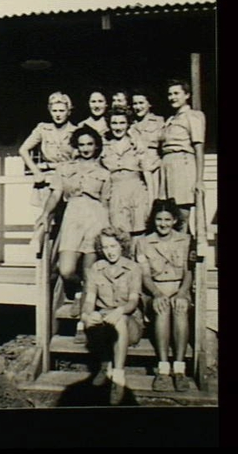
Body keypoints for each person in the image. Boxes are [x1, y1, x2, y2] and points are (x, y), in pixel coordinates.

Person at [34, 126, 111, 340]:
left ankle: (82, 326)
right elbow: (55, 194)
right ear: (76, 146)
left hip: (95, 219)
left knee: (90, 272)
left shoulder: (104, 173)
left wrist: (107, 232)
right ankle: (79, 291)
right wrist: (45, 215)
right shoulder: (65, 169)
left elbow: (105, 203)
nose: (86, 148)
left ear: (96, 146)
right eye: (82, 144)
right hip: (72, 218)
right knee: (66, 269)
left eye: (90, 144)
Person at [81, 226, 144, 405]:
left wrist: (120, 311)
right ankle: (104, 364)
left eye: (113, 246)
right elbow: (89, 299)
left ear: (122, 246)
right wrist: (88, 313)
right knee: (90, 321)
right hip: (105, 318)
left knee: (120, 321)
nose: (110, 252)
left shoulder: (133, 268)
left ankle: (118, 376)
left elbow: (133, 302)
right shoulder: (96, 268)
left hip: (129, 322)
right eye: (106, 247)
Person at [135, 198, 193, 392]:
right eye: (159, 219)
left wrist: (183, 293)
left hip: (178, 288)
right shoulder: (143, 242)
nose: (163, 224)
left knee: (180, 308)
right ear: (154, 220)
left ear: (175, 220)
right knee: (162, 308)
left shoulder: (185, 240)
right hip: (154, 290)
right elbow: (144, 275)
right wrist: (157, 294)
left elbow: (188, 271)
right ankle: (163, 369)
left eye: (167, 219)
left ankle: (179, 369)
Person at [159, 79, 206, 232]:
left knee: (181, 216)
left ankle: (184, 252)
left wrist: (199, 180)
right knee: (169, 214)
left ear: (187, 95)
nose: (172, 97)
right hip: (167, 166)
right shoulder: (171, 119)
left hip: (182, 165)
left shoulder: (193, 116)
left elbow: (199, 148)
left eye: (176, 93)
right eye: (170, 94)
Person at [100, 106, 152, 238]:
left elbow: (147, 174)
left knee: (139, 234)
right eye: (114, 123)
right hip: (114, 193)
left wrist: (151, 200)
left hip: (137, 192)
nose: (118, 127)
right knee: (119, 234)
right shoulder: (104, 146)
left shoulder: (137, 144)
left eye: (122, 123)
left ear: (128, 124)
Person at [18, 92, 77, 207]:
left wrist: (48, 166)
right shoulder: (43, 129)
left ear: (68, 112)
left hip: (68, 178)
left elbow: (76, 160)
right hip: (47, 179)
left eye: (61, 111)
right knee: (47, 216)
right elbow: (23, 150)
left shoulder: (76, 131)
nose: (58, 115)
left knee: (68, 218)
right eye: (54, 111)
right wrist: (36, 171)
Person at [129, 89, 165, 201]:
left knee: (155, 200)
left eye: (141, 103)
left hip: (155, 169)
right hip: (137, 169)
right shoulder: (131, 126)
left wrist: (157, 163)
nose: (138, 107)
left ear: (149, 104)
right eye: (135, 103)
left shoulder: (159, 121)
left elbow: (164, 147)